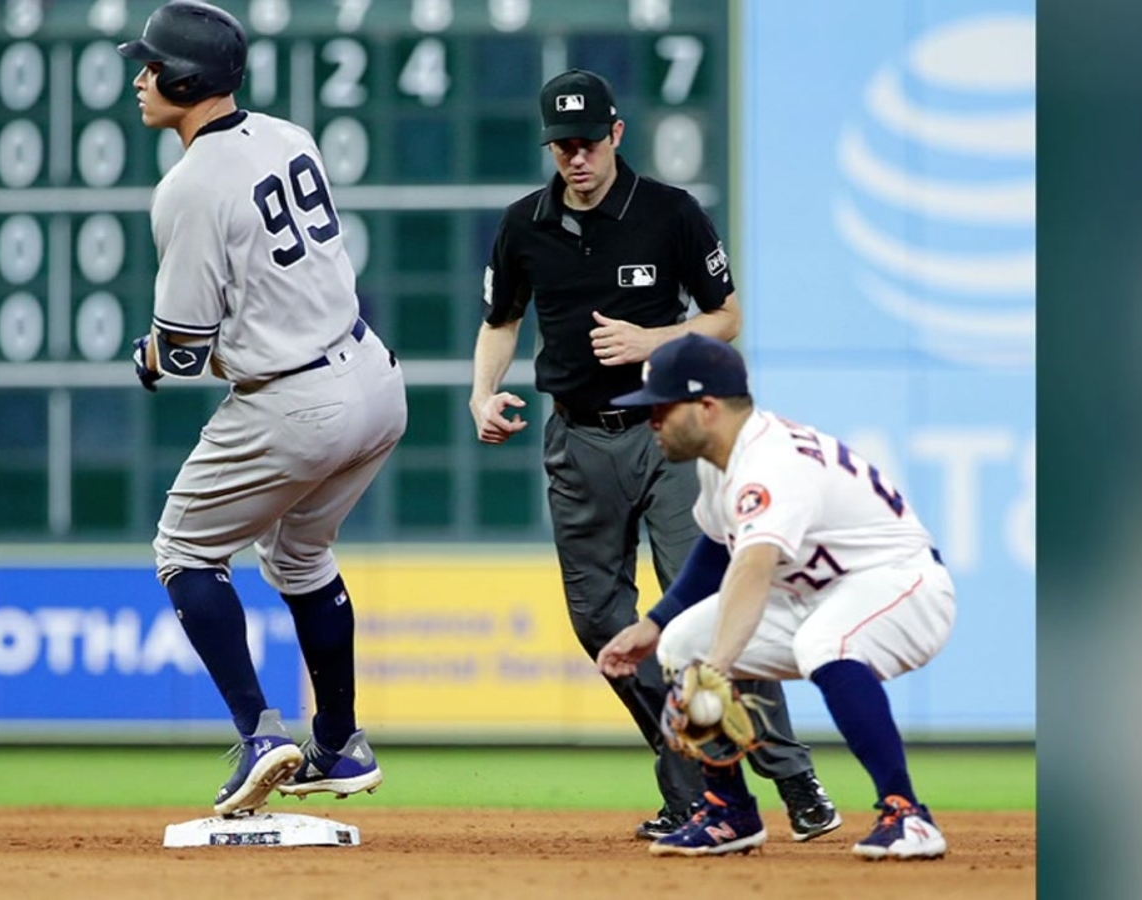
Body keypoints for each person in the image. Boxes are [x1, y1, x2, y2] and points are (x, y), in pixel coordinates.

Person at [471, 68, 838, 841]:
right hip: (575, 437)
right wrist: (483, 393)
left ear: (616, 135)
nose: (576, 157)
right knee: (599, 623)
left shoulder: (670, 213)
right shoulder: (523, 224)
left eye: (588, 141)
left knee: (709, 612)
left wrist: (653, 341)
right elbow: (501, 319)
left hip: (668, 438)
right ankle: (695, 789)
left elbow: (727, 317)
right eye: (562, 144)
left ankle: (794, 777)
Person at [117, 0, 407, 816]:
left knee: (184, 550)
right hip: (375, 381)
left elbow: (178, 350)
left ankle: (260, 733)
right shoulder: (290, 136)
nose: (140, 78)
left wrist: (147, 356)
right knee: (302, 560)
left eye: (150, 65)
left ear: (184, 78)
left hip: (295, 401)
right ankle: (341, 746)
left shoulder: (189, 187)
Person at [597, 333, 957, 859]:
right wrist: (653, 625)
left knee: (822, 643)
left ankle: (908, 815)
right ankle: (729, 811)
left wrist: (718, 668)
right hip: (818, 592)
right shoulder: (720, 461)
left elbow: (752, 567)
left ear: (707, 407)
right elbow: (720, 549)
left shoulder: (770, 462)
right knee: (682, 644)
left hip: (903, 586)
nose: (651, 421)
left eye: (661, 408)